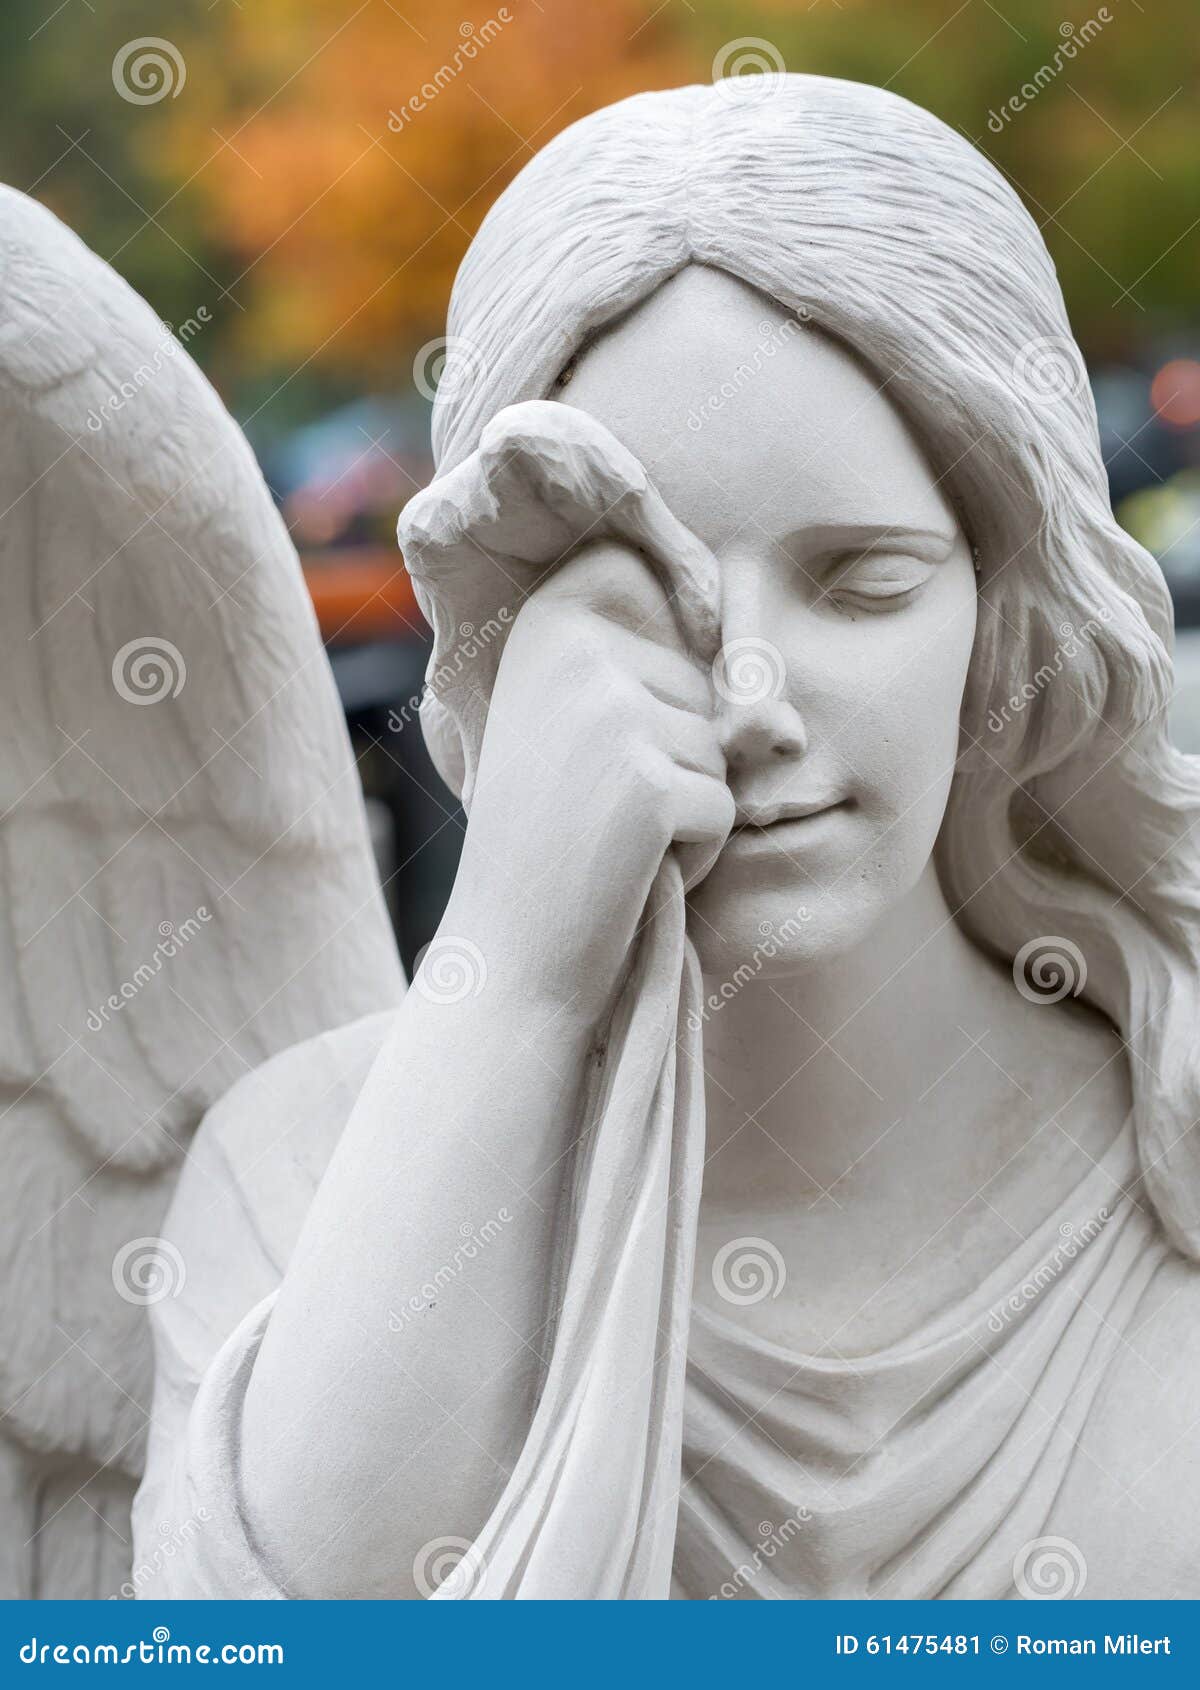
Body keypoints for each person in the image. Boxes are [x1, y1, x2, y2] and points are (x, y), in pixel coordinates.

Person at [134, 75, 1200, 1601]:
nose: (751, 695)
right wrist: (516, 977)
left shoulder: (1174, 1157)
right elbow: (293, 1629)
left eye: (861, 581)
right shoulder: (296, 1171)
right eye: (652, 590)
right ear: (506, 617)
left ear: (1003, 608)